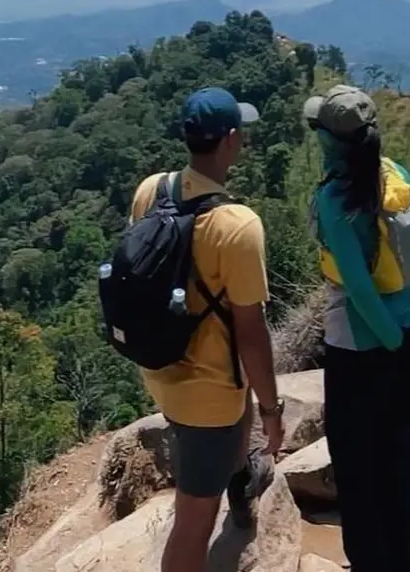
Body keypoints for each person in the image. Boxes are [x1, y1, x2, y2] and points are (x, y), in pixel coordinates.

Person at [128, 86, 286, 572]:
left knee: (226, 438)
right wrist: (272, 409)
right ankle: (229, 485)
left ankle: (238, 482)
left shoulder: (151, 190)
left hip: (159, 368)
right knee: (193, 523)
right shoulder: (237, 226)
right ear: (231, 140)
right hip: (208, 396)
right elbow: (252, 332)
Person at [302, 85, 410, 572]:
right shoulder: (395, 176)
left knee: (357, 470)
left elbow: (359, 290)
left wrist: (393, 344)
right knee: (398, 461)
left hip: (358, 350)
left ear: (330, 142)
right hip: (406, 331)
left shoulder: (335, 199)